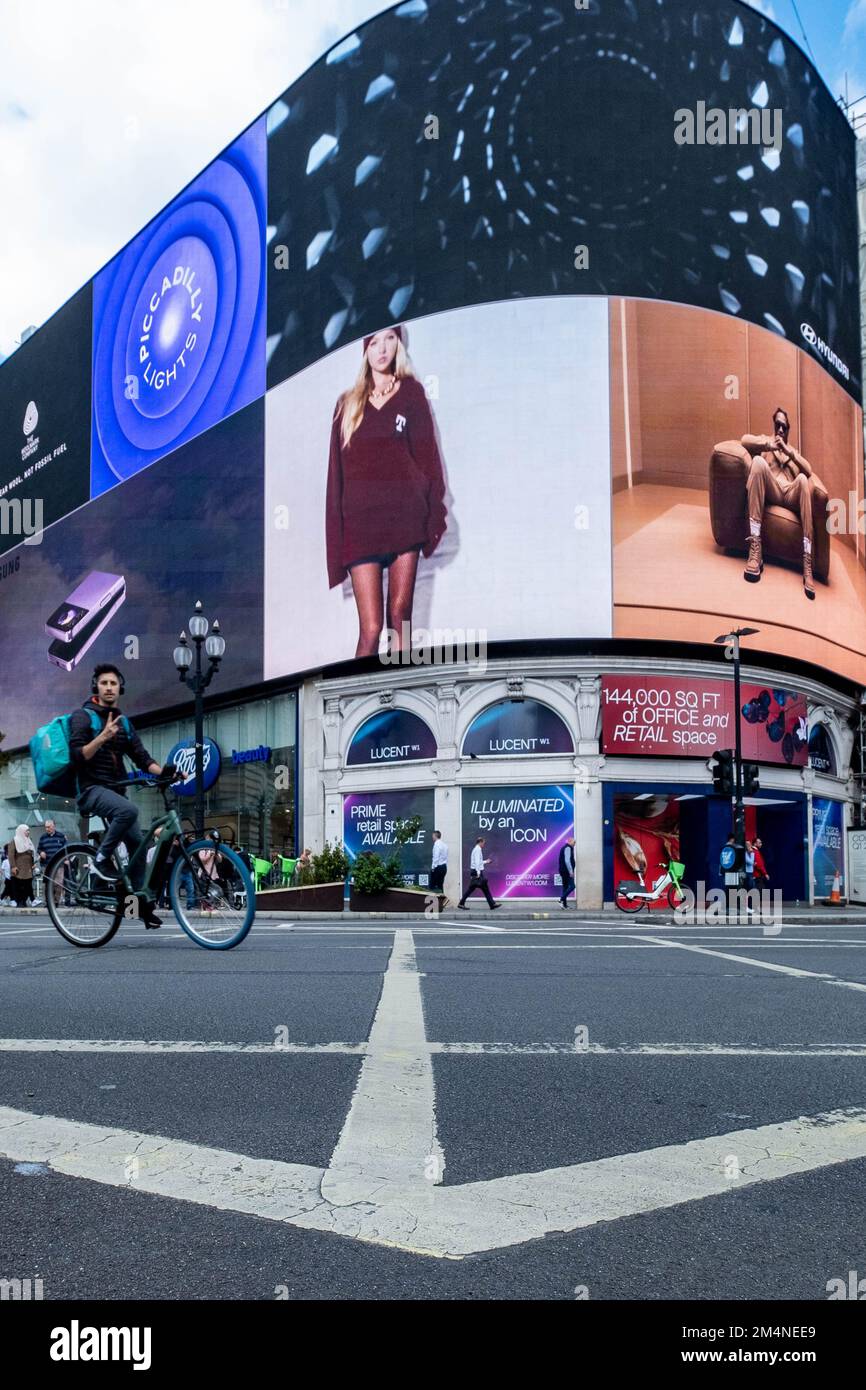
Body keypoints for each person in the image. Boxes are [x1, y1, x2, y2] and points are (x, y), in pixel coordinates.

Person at [326, 324, 448, 657]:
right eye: (375, 341)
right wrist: (336, 541)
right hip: (360, 528)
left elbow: (428, 460)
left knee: (400, 615)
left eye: (390, 339)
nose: (382, 349)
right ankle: (355, 707)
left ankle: (405, 704)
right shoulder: (347, 404)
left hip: (404, 521)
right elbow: (335, 480)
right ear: (365, 349)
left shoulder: (412, 393)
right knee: (370, 629)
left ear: (399, 344)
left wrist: (431, 512)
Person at [69, 664, 175, 930]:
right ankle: (100, 861)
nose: (108, 687)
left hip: (115, 791)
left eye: (113, 683)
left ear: (120, 688)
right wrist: (102, 737)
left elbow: (142, 758)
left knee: (138, 848)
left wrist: (167, 773)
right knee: (129, 810)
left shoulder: (123, 722)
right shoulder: (83, 716)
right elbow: (77, 756)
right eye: (104, 683)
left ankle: (136, 908)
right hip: (91, 790)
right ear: (96, 686)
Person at [741, 409, 816, 599]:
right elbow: (744, 440)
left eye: (784, 427)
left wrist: (789, 452)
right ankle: (755, 548)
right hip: (772, 489)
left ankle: (807, 562)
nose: (781, 429)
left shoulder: (793, 451)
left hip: (789, 494)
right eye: (778, 425)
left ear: (788, 429)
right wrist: (769, 445)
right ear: (774, 425)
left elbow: (808, 471)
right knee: (757, 462)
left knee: (802, 480)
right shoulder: (766, 441)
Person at [458, 837, 500, 910]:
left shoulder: (476, 849)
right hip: (477, 872)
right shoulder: (478, 850)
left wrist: (486, 861)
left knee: (477, 888)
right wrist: (478, 873)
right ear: (480, 842)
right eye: (483, 843)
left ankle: (492, 904)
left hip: (476, 871)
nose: (484, 844)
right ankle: (492, 904)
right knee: (477, 888)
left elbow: (478, 861)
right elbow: (477, 862)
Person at [9, 825, 36, 907]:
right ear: (21, 831)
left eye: (29, 831)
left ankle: (24, 900)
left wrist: (33, 864)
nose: (28, 832)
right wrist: (13, 866)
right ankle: (19, 901)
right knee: (18, 886)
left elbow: (32, 854)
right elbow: (11, 854)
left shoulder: (29, 841)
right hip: (18, 868)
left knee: (27, 886)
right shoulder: (14, 841)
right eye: (26, 831)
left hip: (28, 868)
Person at [558, 835, 576, 909]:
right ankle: (561, 899)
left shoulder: (565, 848)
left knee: (565, 887)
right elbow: (567, 861)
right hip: (566, 871)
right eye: (574, 842)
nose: (575, 844)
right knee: (572, 886)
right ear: (569, 841)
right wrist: (571, 871)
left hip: (563, 870)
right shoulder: (568, 848)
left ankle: (564, 905)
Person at [430, 830, 448, 894]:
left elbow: (436, 857)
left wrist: (433, 867)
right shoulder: (444, 845)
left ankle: (433, 902)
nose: (432, 837)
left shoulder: (437, 845)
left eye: (433, 836)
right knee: (440, 885)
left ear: (435, 836)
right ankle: (441, 901)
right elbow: (446, 856)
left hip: (438, 867)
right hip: (444, 867)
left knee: (433, 886)